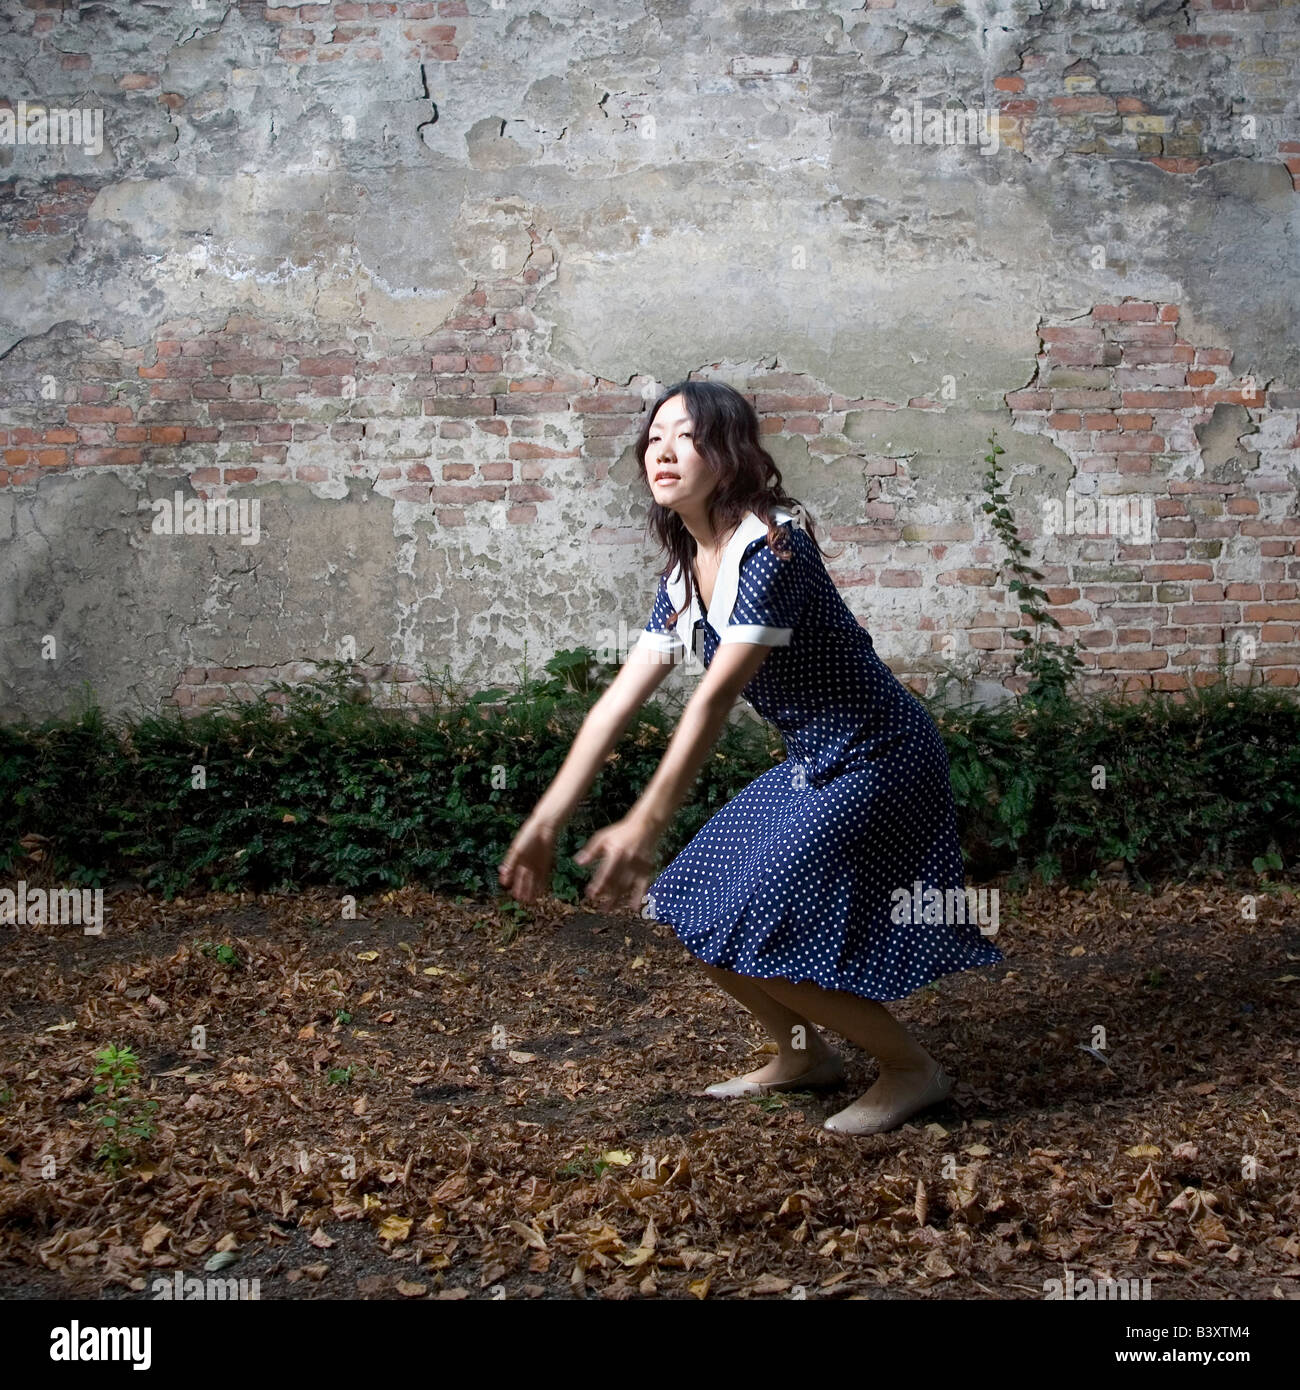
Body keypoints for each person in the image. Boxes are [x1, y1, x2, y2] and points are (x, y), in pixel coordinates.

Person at [498, 379, 1002, 1135]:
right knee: (689, 899)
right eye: (654, 436)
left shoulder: (773, 548)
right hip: (816, 759)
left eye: (687, 436)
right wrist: (545, 820)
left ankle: (911, 1071)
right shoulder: (683, 576)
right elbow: (617, 703)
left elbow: (714, 699)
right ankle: (804, 1056)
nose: (663, 451)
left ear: (728, 454)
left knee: (752, 910)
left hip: (883, 756)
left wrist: (646, 821)